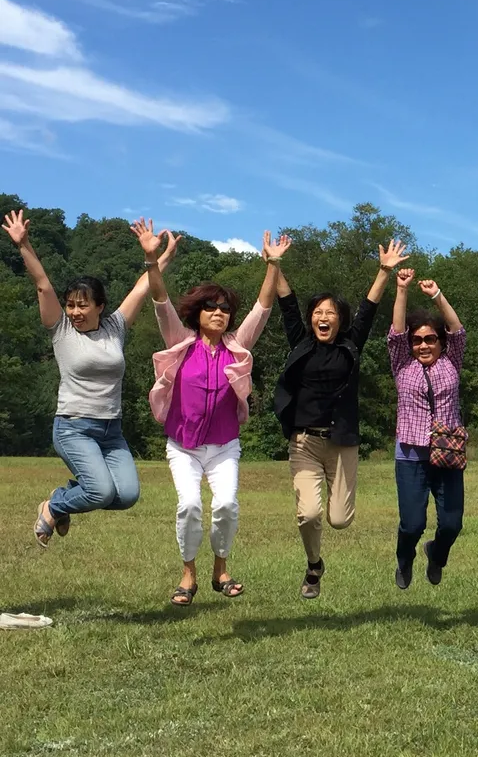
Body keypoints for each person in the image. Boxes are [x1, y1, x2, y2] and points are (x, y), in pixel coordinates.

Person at [2, 209, 180, 548]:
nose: (75, 312)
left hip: (111, 431)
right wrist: (24, 244)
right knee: (100, 490)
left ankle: (64, 497)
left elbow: (143, 288)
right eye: (71, 305)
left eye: (83, 306)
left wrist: (156, 257)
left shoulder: (115, 328)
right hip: (73, 427)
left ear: (100, 306)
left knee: (126, 495)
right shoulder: (62, 330)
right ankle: (55, 507)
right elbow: (42, 284)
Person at [141, 222, 289, 606]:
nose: (219, 313)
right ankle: (187, 572)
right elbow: (160, 303)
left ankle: (219, 569)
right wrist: (151, 259)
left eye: (225, 309)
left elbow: (264, 308)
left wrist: (272, 266)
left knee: (225, 504)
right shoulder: (180, 342)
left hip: (224, 445)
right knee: (189, 505)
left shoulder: (237, 347)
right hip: (183, 445)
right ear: (197, 313)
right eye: (211, 307)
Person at [273, 240, 410, 599]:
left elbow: (369, 309)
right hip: (304, 442)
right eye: (317, 312)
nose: (323, 317)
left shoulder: (351, 345)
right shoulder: (300, 343)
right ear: (311, 319)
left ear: (340, 320)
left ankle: (322, 552)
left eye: (330, 313)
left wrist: (384, 271)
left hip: (342, 443)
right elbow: (286, 303)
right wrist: (274, 264)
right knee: (309, 514)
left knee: (339, 520)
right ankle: (314, 566)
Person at [388, 268, 466, 589]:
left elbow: (458, 330)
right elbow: (395, 333)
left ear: (440, 342)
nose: (423, 345)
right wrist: (402, 289)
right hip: (410, 455)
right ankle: (405, 559)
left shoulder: (451, 361)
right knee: (412, 524)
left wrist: (436, 294)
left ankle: (436, 554)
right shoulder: (402, 364)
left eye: (430, 339)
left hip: (447, 453)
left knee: (451, 524)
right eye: (417, 340)